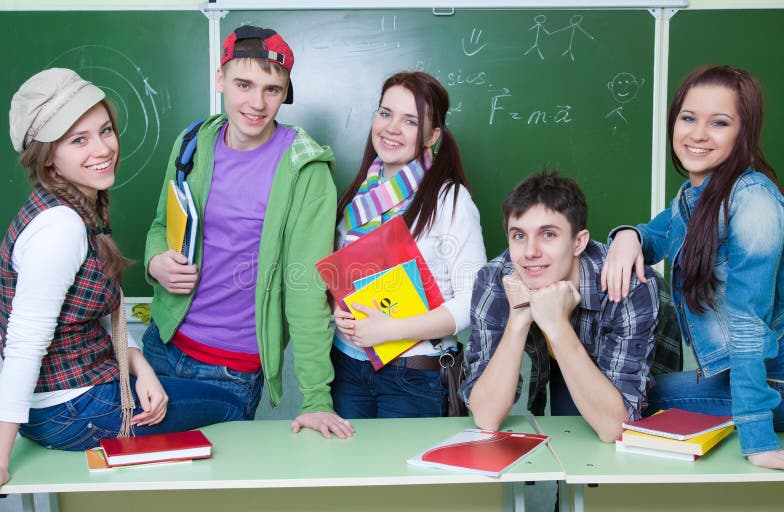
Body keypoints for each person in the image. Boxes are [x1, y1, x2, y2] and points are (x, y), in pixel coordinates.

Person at [0, 68, 244, 512]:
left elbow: (102, 315)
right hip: (70, 409)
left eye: (105, 130)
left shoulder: (74, 205)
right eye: (78, 140)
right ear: (48, 156)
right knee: (233, 404)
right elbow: (26, 346)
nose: (104, 148)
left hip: (76, 397)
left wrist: (141, 369)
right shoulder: (60, 228)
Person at [142, 26, 353, 439]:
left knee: (208, 498)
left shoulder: (305, 171)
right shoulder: (191, 143)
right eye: (244, 84)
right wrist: (155, 263)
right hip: (160, 345)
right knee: (141, 486)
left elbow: (305, 287)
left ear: (285, 92)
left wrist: (316, 400)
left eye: (272, 90)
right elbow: (160, 227)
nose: (257, 103)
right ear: (220, 80)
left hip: (229, 370)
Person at [602, 65, 784, 469]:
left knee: (618, 399)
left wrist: (758, 439)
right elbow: (656, 234)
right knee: (612, 391)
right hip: (746, 377)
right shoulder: (696, 197)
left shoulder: (754, 202)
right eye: (688, 118)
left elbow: (748, 324)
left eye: (719, 123)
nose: (698, 134)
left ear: (744, 133)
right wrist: (628, 235)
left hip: (773, 383)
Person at [462, 168, 682, 442]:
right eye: (519, 236)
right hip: (570, 362)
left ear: (579, 242)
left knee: (631, 465)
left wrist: (556, 325)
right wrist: (518, 320)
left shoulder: (631, 285)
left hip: (640, 378)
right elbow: (486, 416)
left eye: (548, 235)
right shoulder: (494, 279)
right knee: (569, 447)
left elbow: (616, 428)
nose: (530, 252)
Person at [332, 71, 487, 418]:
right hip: (346, 366)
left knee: (399, 473)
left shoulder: (450, 200)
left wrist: (389, 330)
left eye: (410, 121)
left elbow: (471, 302)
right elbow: (340, 279)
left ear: (433, 135)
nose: (391, 128)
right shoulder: (357, 196)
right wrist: (335, 309)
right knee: (347, 471)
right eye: (385, 113)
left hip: (413, 376)